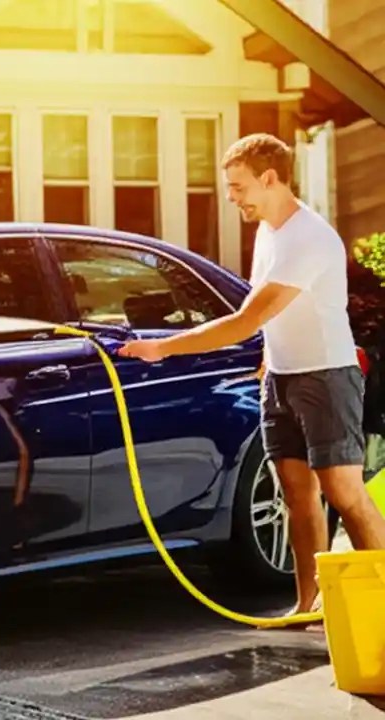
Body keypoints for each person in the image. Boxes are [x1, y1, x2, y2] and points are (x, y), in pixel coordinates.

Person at [118, 132, 385, 623]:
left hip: (325, 376)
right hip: (280, 377)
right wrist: (269, 355)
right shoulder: (268, 231)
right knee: (296, 497)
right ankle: (309, 605)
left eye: (238, 186)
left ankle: (383, 605)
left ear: (269, 178)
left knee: (345, 493)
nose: (232, 197)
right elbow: (276, 311)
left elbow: (245, 319)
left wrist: (164, 348)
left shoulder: (309, 238)